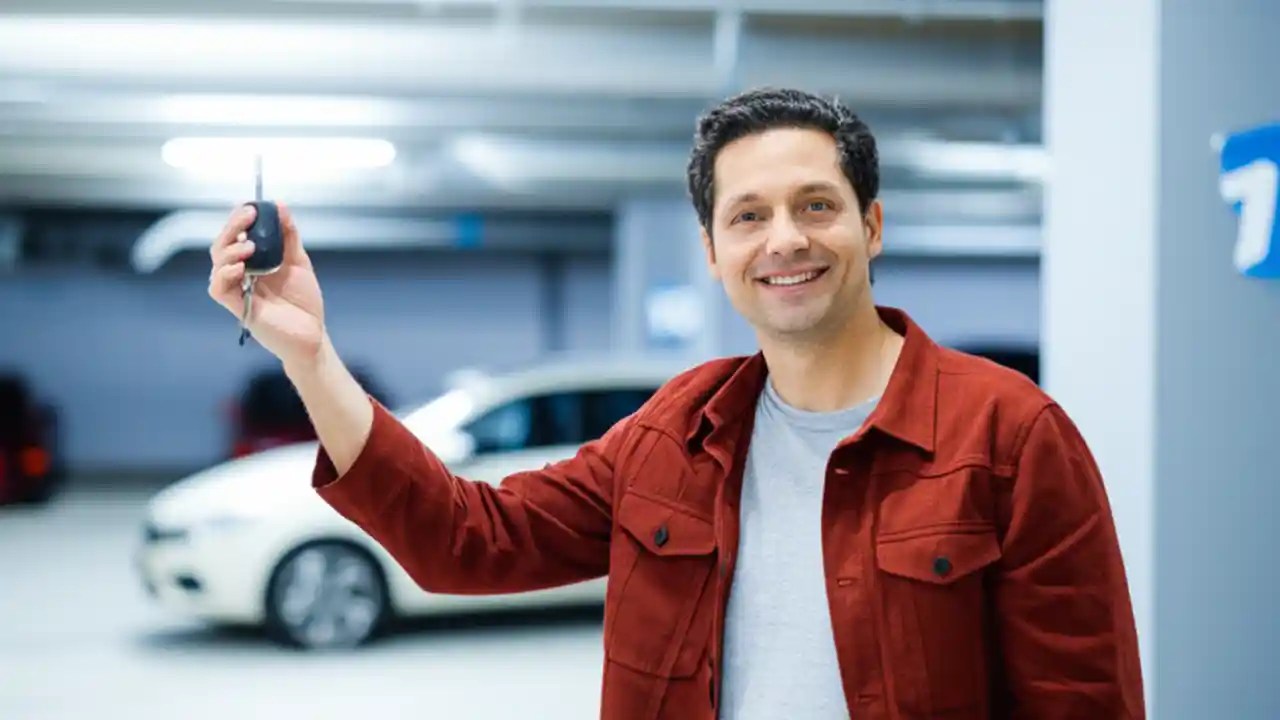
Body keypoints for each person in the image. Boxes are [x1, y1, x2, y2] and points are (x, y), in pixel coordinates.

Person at [207, 87, 1145, 719]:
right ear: (711, 250)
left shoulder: (1011, 436)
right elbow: (466, 539)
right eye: (748, 216)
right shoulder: (674, 437)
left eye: (816, 205)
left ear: (872, 224)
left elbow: (1083, 702)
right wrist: (311, 355)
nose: (785, 239)